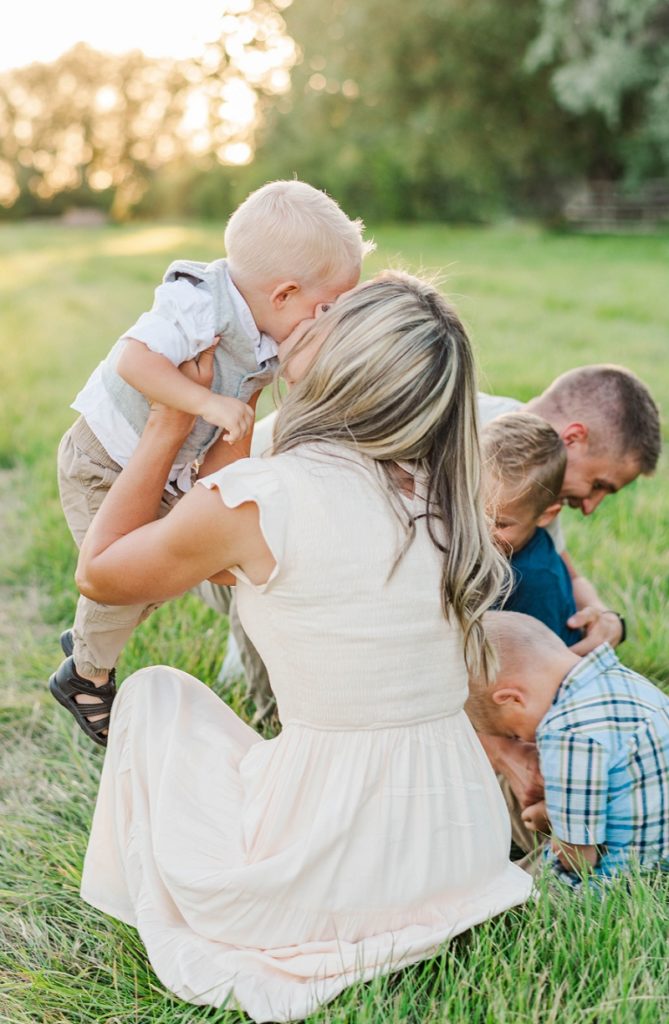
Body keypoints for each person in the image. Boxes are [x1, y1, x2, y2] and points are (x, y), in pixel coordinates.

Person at [73, 272, 533, 1021]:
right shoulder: (443, 494)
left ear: (341, 363)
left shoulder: (267, 497)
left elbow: (102, 575)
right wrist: (239, 422)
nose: (305, 322)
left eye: (327, 318)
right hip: (456, 842)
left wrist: (165, 423)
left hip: (340, 863)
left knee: (156, 695)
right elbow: (220, 532)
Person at [50, 179, 369, 746]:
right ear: (284, 293)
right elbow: (134, 360)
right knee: (125, 579)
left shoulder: (268, 340)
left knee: (162, 575)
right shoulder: (198, 300)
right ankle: (85, 675)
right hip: (103, 457)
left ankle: (88, 640)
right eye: (326, 308)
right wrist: (204, 402)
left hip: (162, 469)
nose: (329, 321)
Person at [217, 362, 662, 720]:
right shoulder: (460, 442)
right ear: (575, 438)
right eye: (601, 484)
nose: (591, 506)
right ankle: (273, 706)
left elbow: (562, 563)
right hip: (232, 531)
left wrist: (605, 616)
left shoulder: (529, 460)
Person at [466, 611, 669, 888]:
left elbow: (579, 860)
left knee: (492, 892)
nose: (525, 741)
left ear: (512, 699)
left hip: (612, 880)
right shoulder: (628, 683)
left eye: (513, 734)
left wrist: (547, 818)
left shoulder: (566, 735)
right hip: (657, 854)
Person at [481, 411, 582, 645]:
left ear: (546, 516)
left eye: (500, 523)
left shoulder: (537, 581)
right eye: (473, 514)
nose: (481, 532)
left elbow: (535, 664)